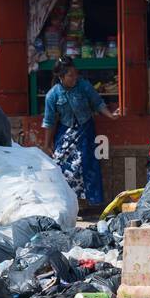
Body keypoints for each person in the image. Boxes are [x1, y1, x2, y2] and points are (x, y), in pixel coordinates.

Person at [41, 58, 120, 205]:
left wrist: (110, 116)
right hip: (65, 133)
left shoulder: (83, 86)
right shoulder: (52, 95)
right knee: (61, 165)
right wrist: (47, 144)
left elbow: (98, 103)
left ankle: (91, 204)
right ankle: (68, 203)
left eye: (75, 74)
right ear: (61, 77)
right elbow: (49, 121)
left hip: (85, 131)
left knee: (87, 166)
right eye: (70, 75)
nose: (74, 78)